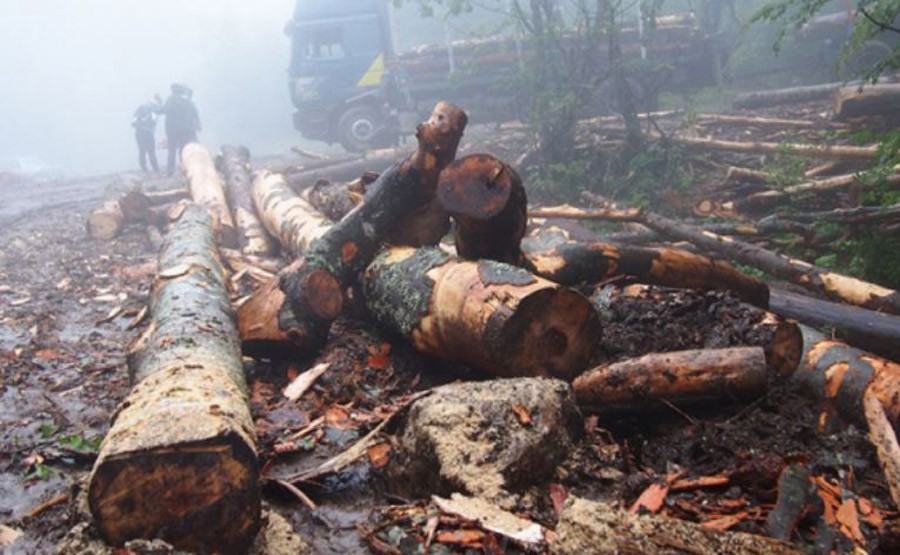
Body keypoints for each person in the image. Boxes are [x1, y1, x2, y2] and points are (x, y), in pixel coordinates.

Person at [160, 83, 201, 175]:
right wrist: (198, 125)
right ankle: (184, 169)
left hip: (173, 130)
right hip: (186, 129)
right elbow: (195, 112)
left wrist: (154, 108)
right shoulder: (187, 100)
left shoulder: (171, 99)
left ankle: (170, 171)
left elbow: (164, 110)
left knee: (172, 150)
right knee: (183, 149)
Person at [131, 101, 160, 173]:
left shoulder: (138, 111)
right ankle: (155, 168)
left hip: (139, 133)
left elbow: (133, 124)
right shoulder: (153, 112)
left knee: (142, 151)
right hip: (148, 133)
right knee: (151, 151)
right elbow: (153, 122)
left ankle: (144, 168)